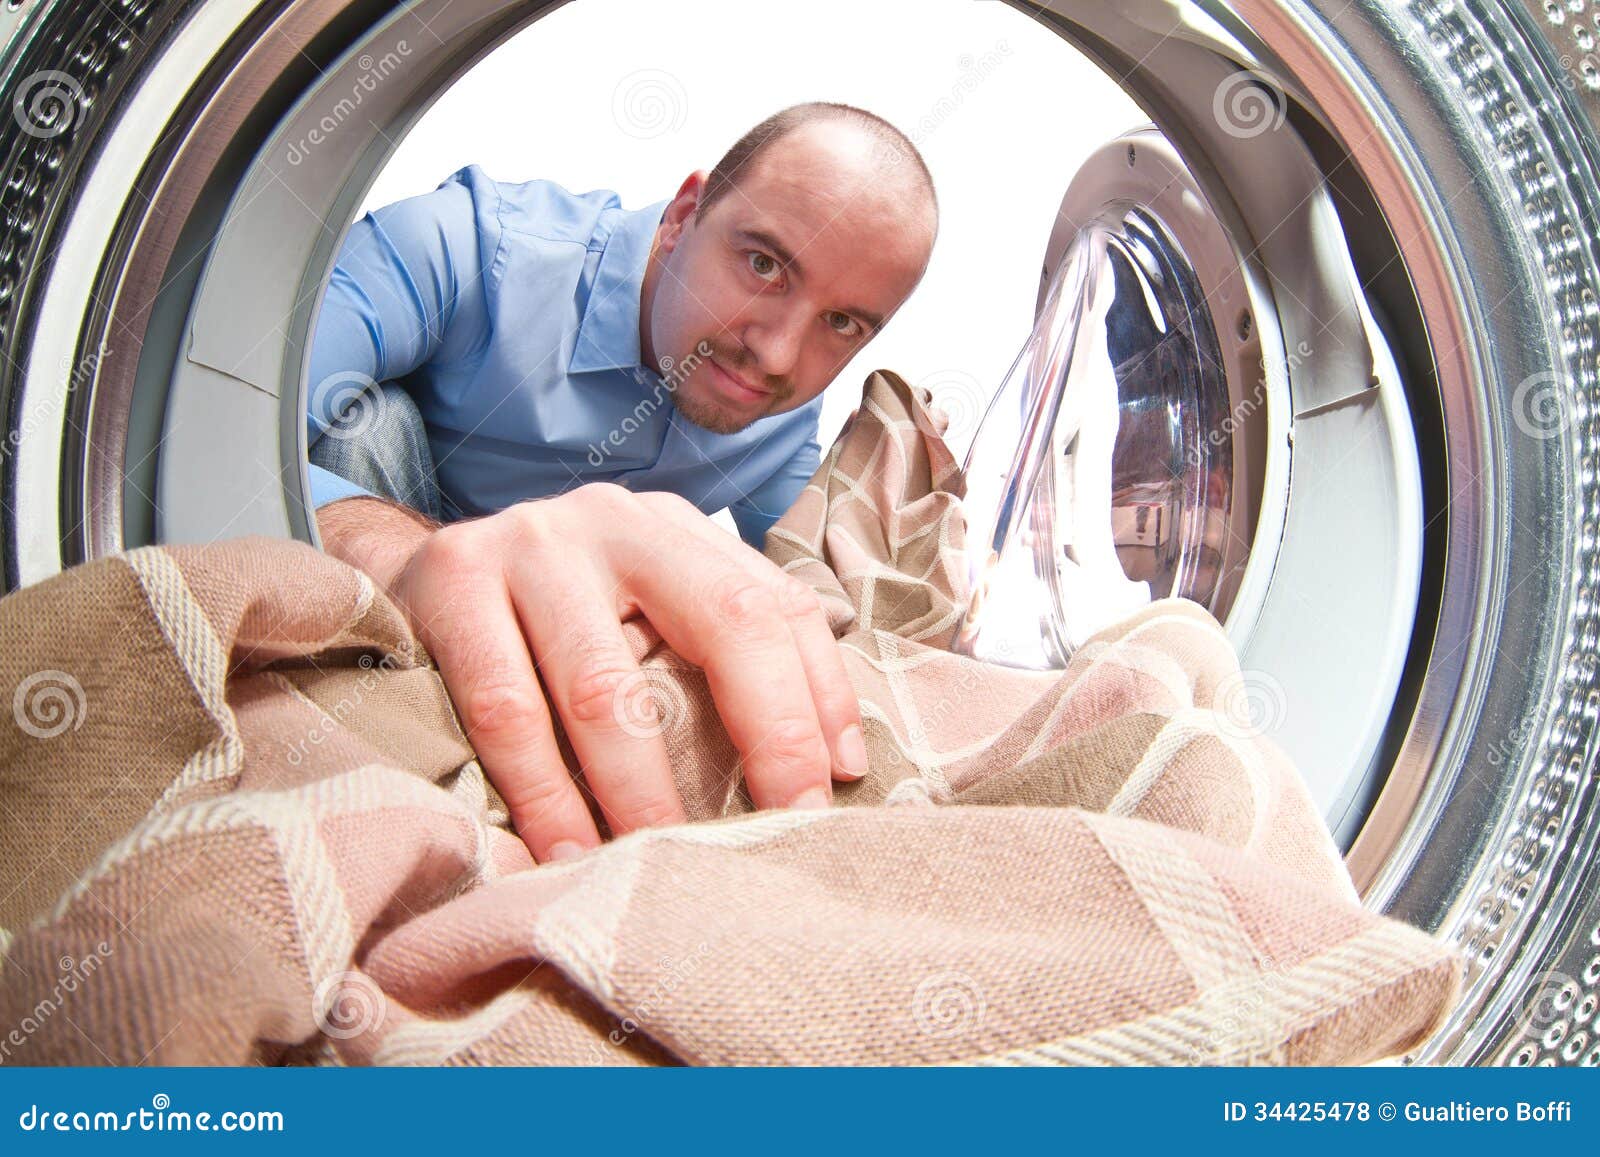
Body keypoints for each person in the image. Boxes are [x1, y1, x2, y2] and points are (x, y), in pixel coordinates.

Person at [308, 101, 939, 865]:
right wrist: (401, 553)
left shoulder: (780, 428)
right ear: (682, 215)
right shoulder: (459, 245)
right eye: (765, 265)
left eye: (843, 323)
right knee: (365, 423)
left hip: (550, 700)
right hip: (373, 632)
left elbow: (810, 593)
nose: (776, 355)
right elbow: (225, 418)